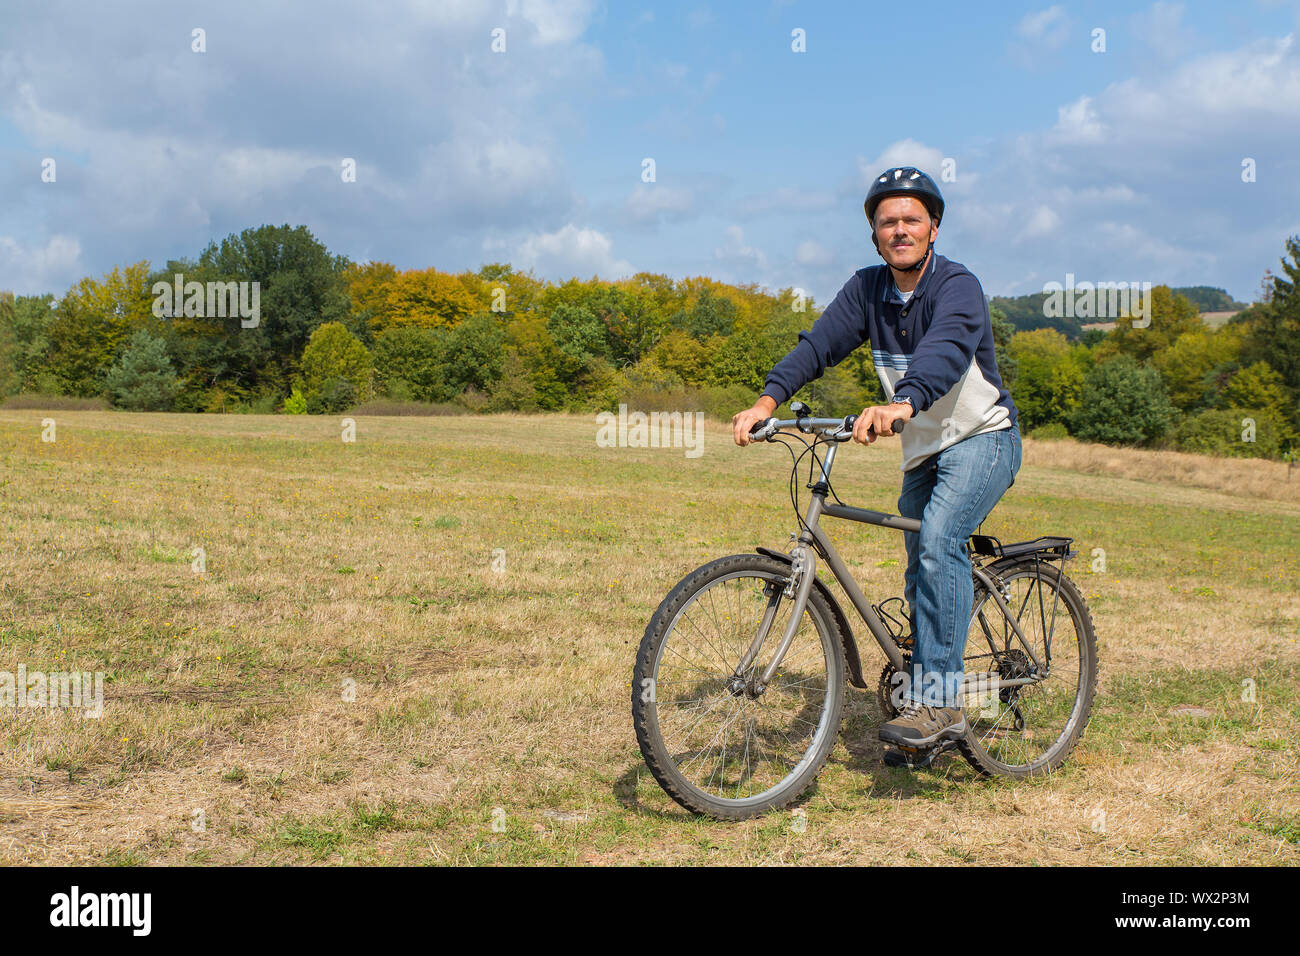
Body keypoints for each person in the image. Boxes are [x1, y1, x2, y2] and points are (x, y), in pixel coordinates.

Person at [731, 166, 1021, 752]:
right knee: (921, 567)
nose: (900, 229)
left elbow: (943, 351)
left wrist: (903, 402)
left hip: (982, 439)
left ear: (933, 227)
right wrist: (767, 400)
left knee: (939, 542)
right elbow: (820, 344)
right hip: (925, 451)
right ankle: (921, 690)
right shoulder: (867, 289)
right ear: (874, 234)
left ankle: (940, 704)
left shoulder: (958, 286)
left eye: (912, 219)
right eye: (887, 221)